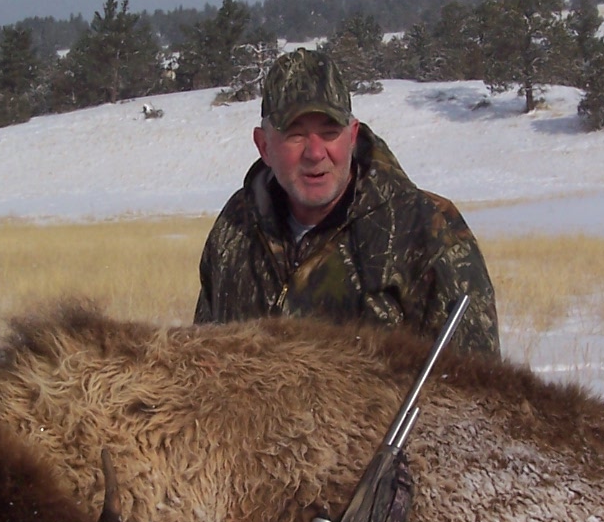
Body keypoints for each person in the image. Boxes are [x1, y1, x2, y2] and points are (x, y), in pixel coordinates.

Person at [195, 49, 500, 356]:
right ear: (263, 145)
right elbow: (203, 367)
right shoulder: (234, 230)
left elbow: (477, 391)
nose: (315, 153)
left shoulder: (428, 231)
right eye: (295, 135)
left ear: (352, 136)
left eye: (329, 133)